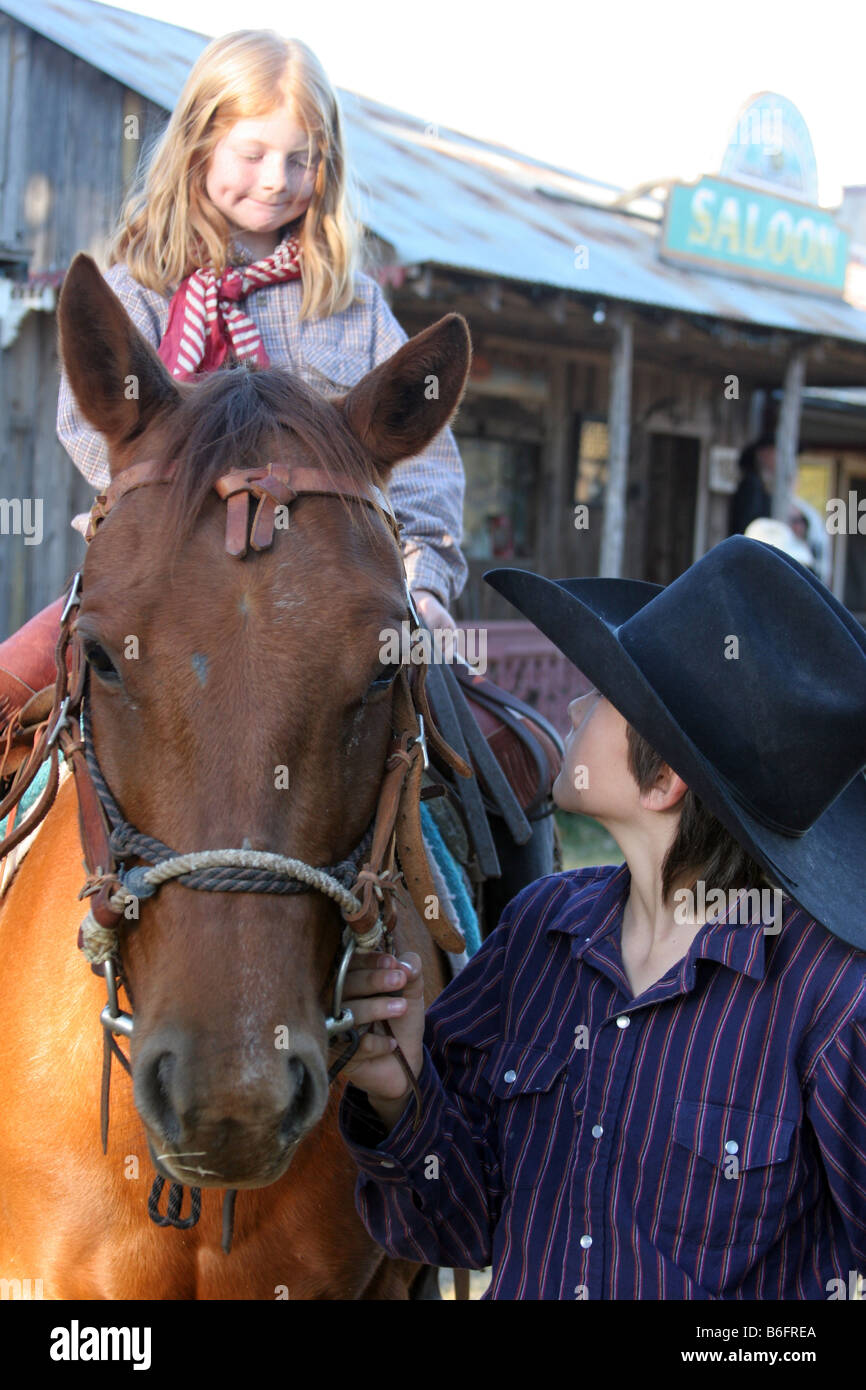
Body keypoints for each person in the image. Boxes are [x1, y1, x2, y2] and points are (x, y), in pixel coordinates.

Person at [334, 534, 866, 1299]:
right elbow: (456, 1228)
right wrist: (397, 1091)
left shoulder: (833, 1000)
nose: (577, 702)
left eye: (607, 696)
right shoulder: (540, 932)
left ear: (665, 782)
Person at [0, 29, 464, 724]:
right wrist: (193, 494)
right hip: (158, 572)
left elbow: (425, 464)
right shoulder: (142, 287)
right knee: (10, 689)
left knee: (474, 754)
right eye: (253, 153)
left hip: (319, 582)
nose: (277, 177)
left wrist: (422, 584)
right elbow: (84, 417)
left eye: (301, 159)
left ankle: (490, 828)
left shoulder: (349, 304)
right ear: (198, 145)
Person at [728, 433, 774, 535]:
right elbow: (747, 522)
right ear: (763, 454)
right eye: (773, 453)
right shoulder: (752, 484)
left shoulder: (758, 482)